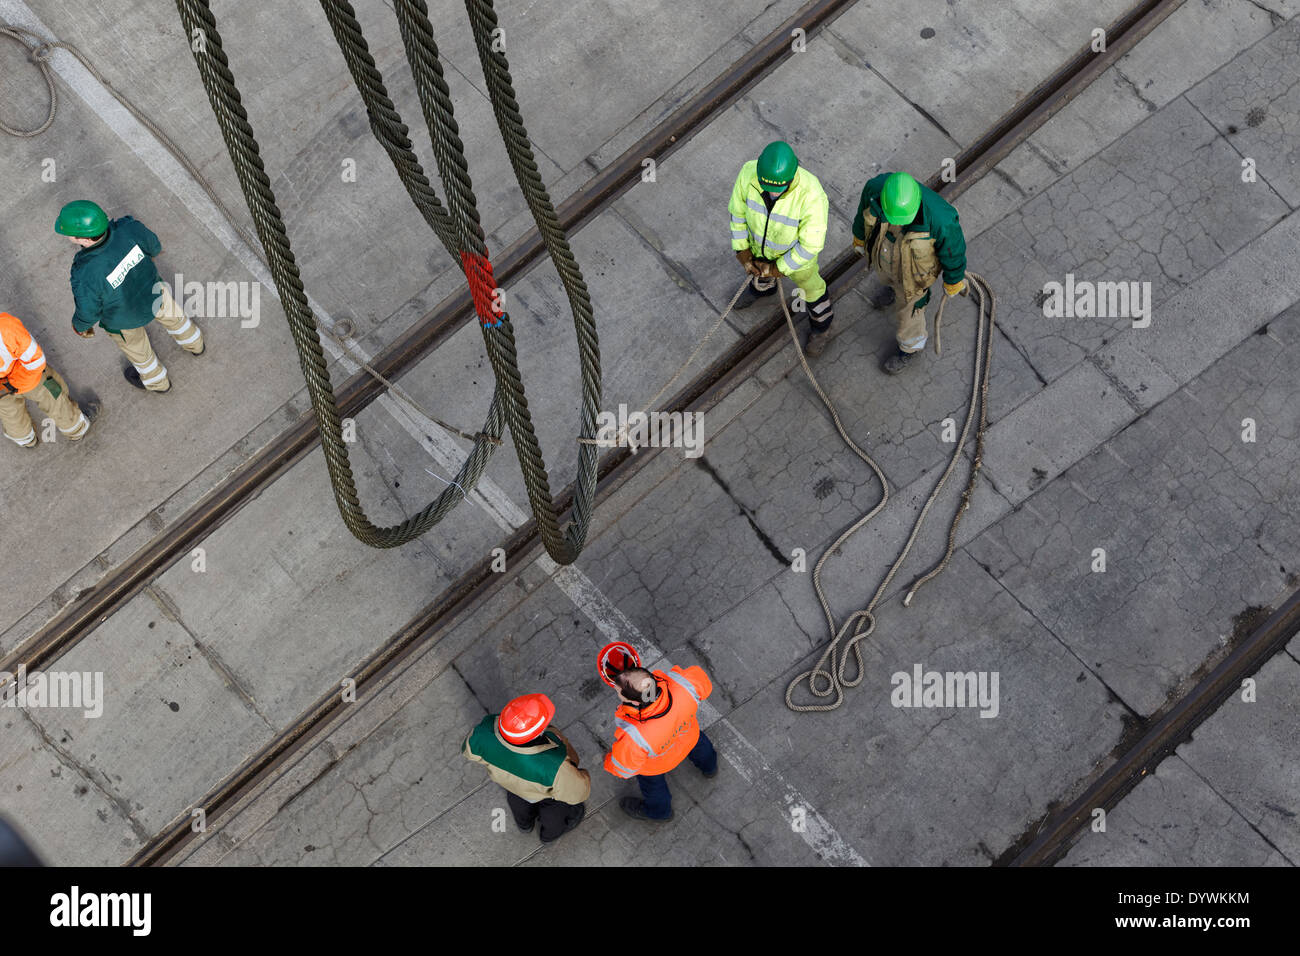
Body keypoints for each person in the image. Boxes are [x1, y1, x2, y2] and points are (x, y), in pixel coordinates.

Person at [56, 200, 204, 392]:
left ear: (83, 239)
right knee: (177, 320)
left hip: (123, 319)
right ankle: (196, 345)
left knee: (139, 352)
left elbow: (89, 310)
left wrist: (80, 327)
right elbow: (154, 247)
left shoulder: (84, 273)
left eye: (68, 234)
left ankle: (158, 383)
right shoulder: (128, 229)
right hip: (154, 293)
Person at [851, 171, 967, 374]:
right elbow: (863, 211)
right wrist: (859, 237)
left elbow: (953, 252)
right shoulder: (875, 189)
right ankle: (892, 289)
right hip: (886, 257)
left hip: (915, 278)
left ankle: (911, 347)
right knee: (887, 277)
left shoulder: (941, 220)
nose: (898, 223)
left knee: (909, 315)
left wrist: (953, 280)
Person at [728, 141, 834, 356]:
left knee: (811, 289)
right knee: (759, 274)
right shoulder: (748, 173)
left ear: (792, 176)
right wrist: (743, 251)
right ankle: (762, 289)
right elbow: (737, 214)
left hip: (797, 260)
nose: (773, 194)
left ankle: (822, 327)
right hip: (759, 248)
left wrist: (779, 268)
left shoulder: (811, 195)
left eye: (779, 189)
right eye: (768, 188)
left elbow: (810, 245)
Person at [462, 693, 590, 843]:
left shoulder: (483, 733)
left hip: (513, 787)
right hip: (544, 794)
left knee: (518, 802)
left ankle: (524, 825)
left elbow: (468, 751)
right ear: (536, 734)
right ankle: (548, 836)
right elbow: (578, 793)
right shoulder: (554, 767)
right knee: (554, 815)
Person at [604, 664, 717, 822]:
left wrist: (608, 761)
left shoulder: (635, 736)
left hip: (657, 765)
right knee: (703, 749)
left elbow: (624, 768)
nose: (616, 691)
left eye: (618, 691)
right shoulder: (683, 683)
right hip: (689, 736)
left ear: (635, 703)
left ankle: (660, 813)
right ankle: (710, 768)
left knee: (653, 788)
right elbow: (703, 684)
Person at [0, 311, 97, 448]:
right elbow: (35, 361)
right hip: (27, 379)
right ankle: (75, 428)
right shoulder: (5, 326)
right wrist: (13, 384)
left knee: (10, 412)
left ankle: (25, 439)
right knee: (53, 398)